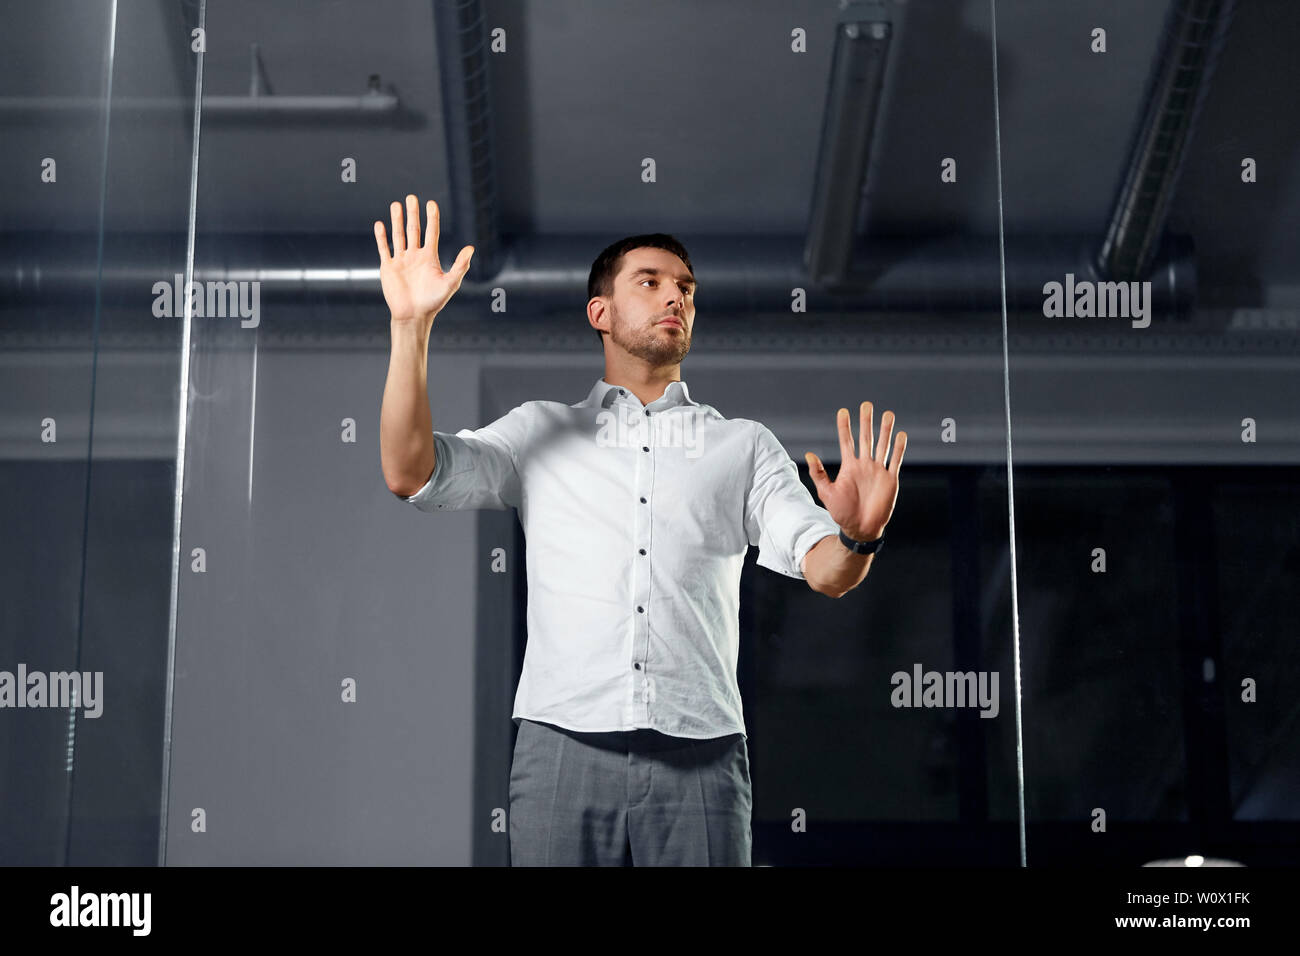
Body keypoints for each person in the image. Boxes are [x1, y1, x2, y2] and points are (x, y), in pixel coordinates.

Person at [375, 194, 907, 866]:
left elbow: (828, 572)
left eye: (685, 288)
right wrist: (410, 328)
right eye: (649, 283)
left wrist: (859, 535)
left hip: (703, 754)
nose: (674, 298)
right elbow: (410, 471)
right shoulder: (539, 430)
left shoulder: (742, 446)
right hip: (560, 741)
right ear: (600, 313)